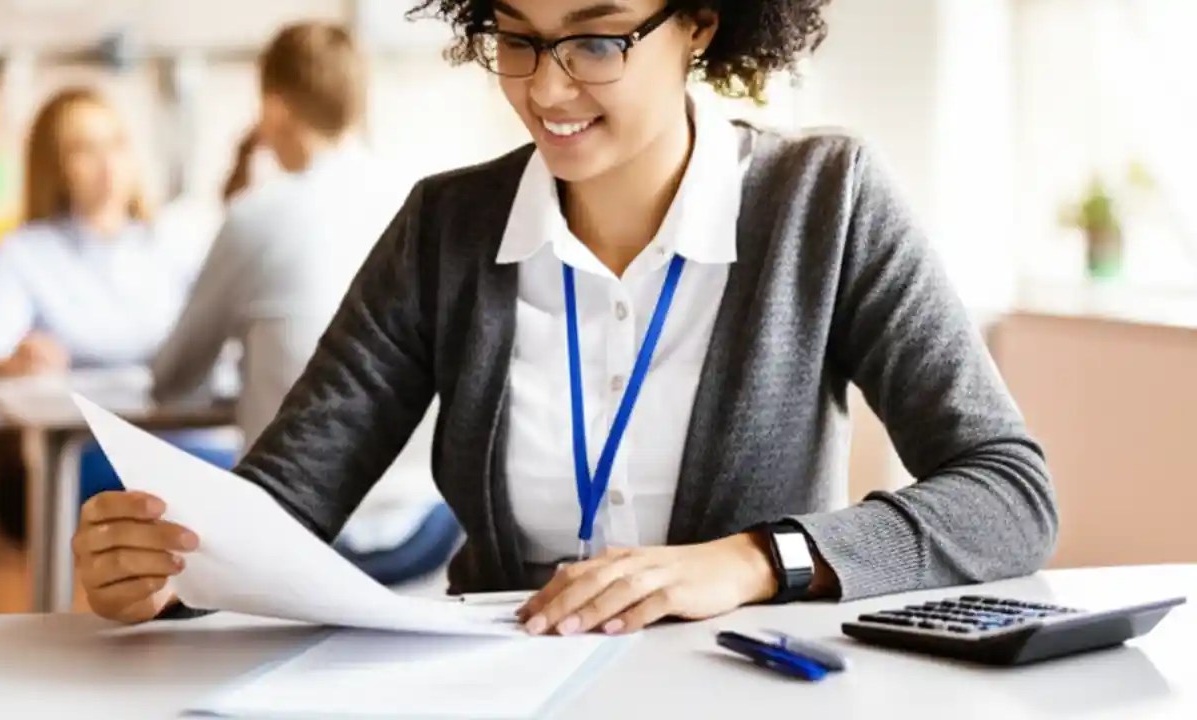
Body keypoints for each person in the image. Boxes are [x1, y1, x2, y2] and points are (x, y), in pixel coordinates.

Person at [73, 0, 1059, 635]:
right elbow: (283, 504)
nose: (545, 88)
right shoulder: (444, 229)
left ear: (701, 24)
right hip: (508, 691)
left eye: (595, 39)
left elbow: (1009, 494)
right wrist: (170, 571)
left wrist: (754, 562)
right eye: (515, 38)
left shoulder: (824, 203)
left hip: (746, 694)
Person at [148, 22, 451, 585]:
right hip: (430, 533)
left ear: (274, 109)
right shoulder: (427, 202)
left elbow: (172, 381)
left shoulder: (258, 215)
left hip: (297, 539)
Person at [0, 88, 190, 377]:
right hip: (77, 414)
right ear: (55, 167)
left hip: (178, 415)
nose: (108, 165)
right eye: (84, 149)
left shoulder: (174, 242)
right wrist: (17, 362)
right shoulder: (24, 253)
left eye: (116, 145)